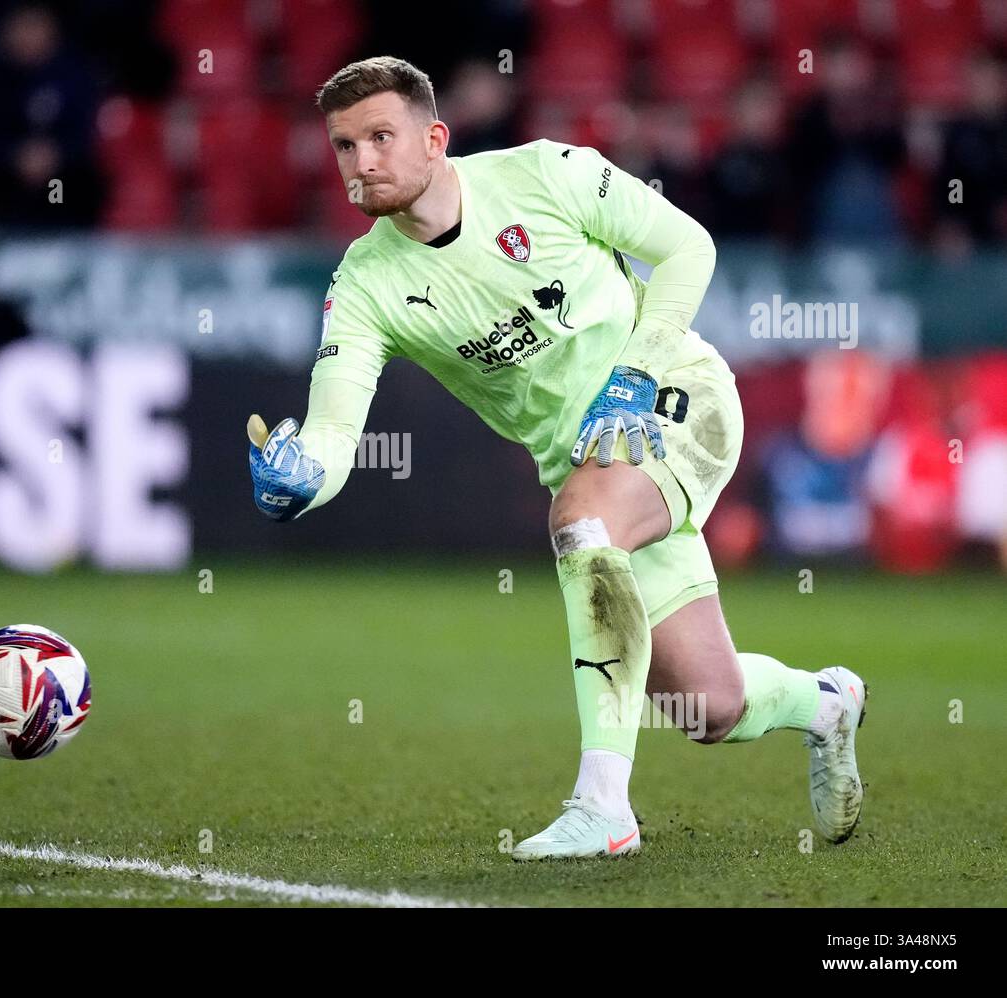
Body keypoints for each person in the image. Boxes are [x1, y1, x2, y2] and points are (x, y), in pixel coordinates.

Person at [246, 57, 866, 859]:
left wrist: (634, 377)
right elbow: (334, 433)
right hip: (595, 464)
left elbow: (687, 249)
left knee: (580, 519)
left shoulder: (546, 173)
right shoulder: (364, 286)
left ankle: (603, 806)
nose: (362, 162)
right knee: (706, 707)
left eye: (380, 137)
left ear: (434, 139)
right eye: (343, 146)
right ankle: (826, 703)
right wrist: (301, 475)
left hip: (676, 400)